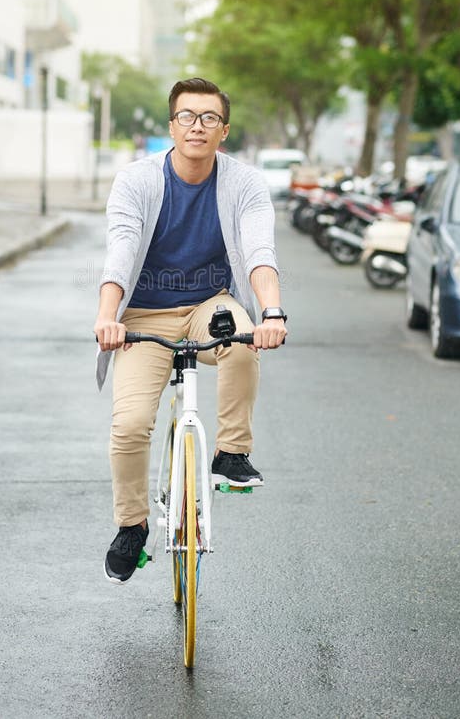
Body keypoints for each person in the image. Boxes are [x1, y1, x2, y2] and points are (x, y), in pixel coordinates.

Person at [94, 77, 287, 584]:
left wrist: (272, 313)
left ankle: (230, 453)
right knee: (130, 425)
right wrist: (108, 316)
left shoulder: (244, 183)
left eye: (209, 118)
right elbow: (121, 249)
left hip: (210, 303)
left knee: (242, 341)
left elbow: (260, 253)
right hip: (142, 317)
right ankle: (131, 526)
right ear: (171, 126)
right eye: (187, 116)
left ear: (224, 130)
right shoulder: (137, 180)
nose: (197, 127)